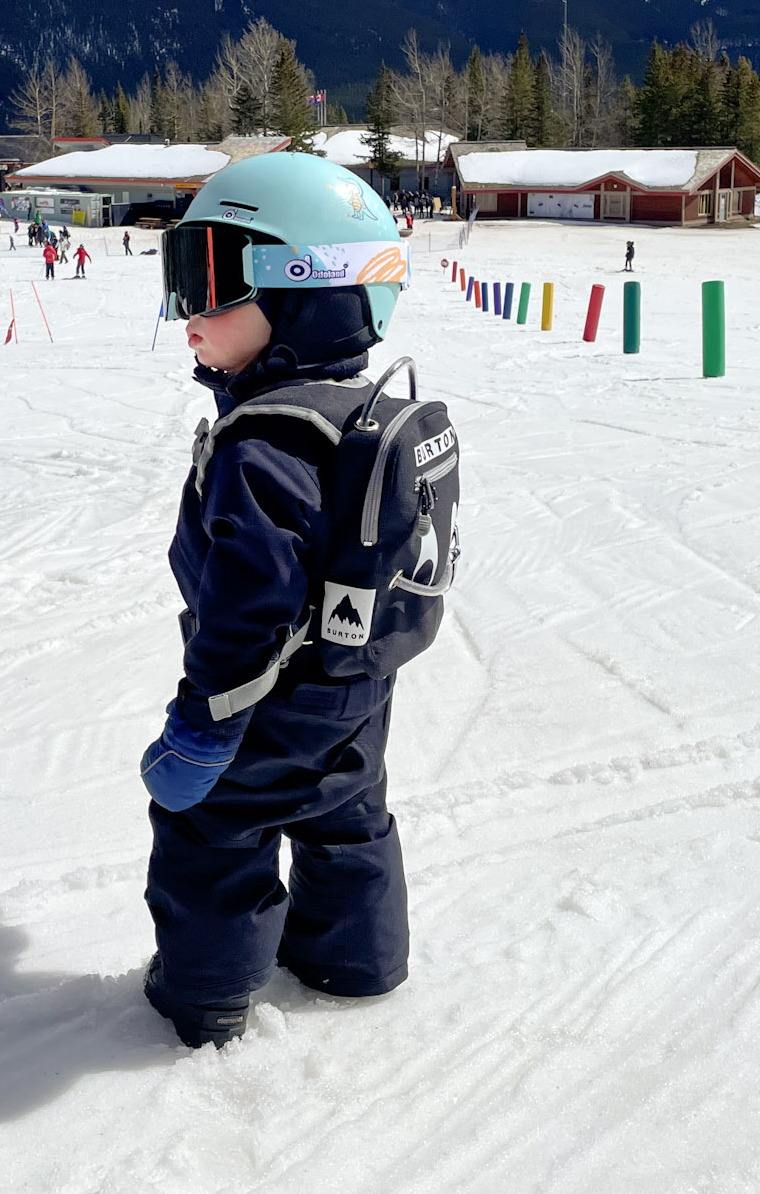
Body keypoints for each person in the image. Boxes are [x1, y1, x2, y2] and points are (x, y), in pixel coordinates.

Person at [141, 152, 445, 1050]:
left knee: (212, 827)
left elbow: (251, 602)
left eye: (214, 279)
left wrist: (204, 723)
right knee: (346, 812)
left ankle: (206, 992)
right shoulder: (357, 408)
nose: (188, 312)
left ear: (305, 287)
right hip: (355, 685)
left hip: (265, 700)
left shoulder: (265, 441)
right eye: (181, 276)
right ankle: (355, 960)